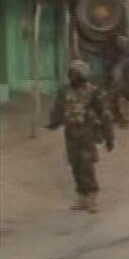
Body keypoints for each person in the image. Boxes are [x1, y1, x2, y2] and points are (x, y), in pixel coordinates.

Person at [45, 60, 114, 213]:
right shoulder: (64, 91)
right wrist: (53, 123)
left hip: (87, 132)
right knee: (75, 164)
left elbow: (105, 114)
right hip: (71, 133)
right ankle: (81, 196)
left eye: (76, 74)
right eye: (71, 73)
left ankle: (92, 196)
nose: (73, 77)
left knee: (86, 164)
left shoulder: (93, 92)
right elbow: (58, 108)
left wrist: (109, 137)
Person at [99, 35, 129, 128]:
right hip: (116, 80)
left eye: (123, 43)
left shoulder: (124, 55)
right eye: (121, 42)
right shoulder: (118, 55)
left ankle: (122, 120)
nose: (122, 44)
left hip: (119, 81)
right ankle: (119, 119)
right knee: (115, 100)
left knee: (118, 100)